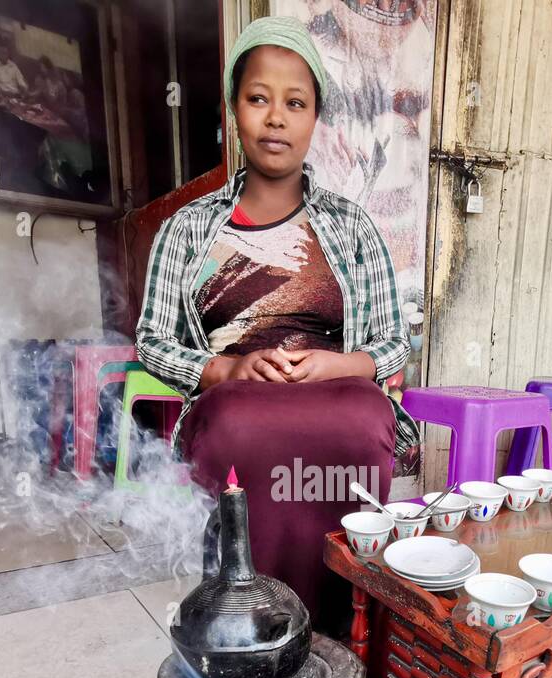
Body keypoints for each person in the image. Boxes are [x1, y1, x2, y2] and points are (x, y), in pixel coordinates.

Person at [136, 16, 417, 629]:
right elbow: (153, 342)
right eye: (258, 98)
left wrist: (338, 364)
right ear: (234, 108)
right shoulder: (188, 229)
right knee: (237, 421)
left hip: (336, 390)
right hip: (234, 396)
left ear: (315, 118)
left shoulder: (351, 226)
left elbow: (396, 341)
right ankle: (250, 625)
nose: (276, 117)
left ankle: (344, 623)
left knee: (363, 416)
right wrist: (225, 367)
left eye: (296, 103)